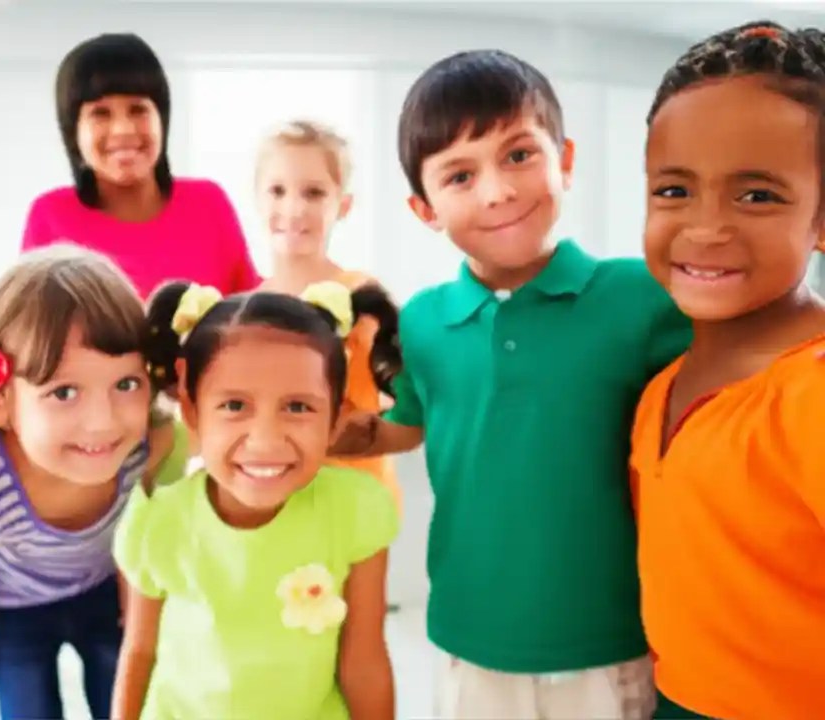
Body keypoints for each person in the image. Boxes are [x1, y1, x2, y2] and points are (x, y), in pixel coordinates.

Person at [331, 50, 691, 719]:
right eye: (461, 175)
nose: (496, 190)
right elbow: (411, 425)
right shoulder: (423, 321)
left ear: (567, 159)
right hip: (473, 635)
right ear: (424, 208)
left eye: (520, 155)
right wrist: (323, 434)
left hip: (609, 636)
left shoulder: (641, 296)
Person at [631, 21, 825, 720]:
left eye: (758, 195)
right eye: (674, 191)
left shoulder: (813, 395)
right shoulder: (659, 389)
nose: (706, 227)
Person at [113, 280, 402, 720]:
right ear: (190, 408)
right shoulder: (158, 520)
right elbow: (139, 652)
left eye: (299, 407)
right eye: (233, 405)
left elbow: (363, 660)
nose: (265, 441)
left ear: (336, 418)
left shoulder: (356, 511)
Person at [0, 244, 188, 720]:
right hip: (14, 614)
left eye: (126, 385)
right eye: (63, 392)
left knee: (128, 695)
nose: (102, 422)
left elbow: (144, 560)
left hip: (101, 594)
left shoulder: (152, 442)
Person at [21, 32, 261, 299]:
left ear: (163, 119)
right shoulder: (50, 218)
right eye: (100, 113)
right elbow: (29, 332)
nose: (123, 129)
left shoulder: (209, 203)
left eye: (138, 109)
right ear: (73, 131)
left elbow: (250, 316)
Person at [254, 119, 401, 512]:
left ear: (343, 205)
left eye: (314, 193)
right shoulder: (246, 310)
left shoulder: (363, 296)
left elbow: (397, 396)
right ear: (257, 199)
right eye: (278, 191)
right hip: (278, 505)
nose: (294, 208)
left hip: (356, 502)